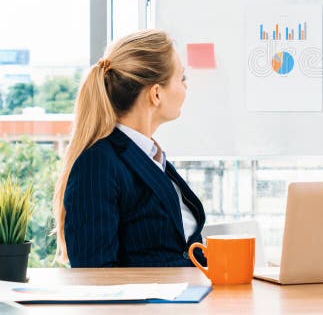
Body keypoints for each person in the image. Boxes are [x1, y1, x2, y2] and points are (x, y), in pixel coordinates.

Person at [52, 30, 207, 267]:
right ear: (156, 93)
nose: (186, 87)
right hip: (155, 303)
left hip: (188, 296)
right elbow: (94, 273)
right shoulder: (98, 163)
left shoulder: (149, 156)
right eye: (182, 77)